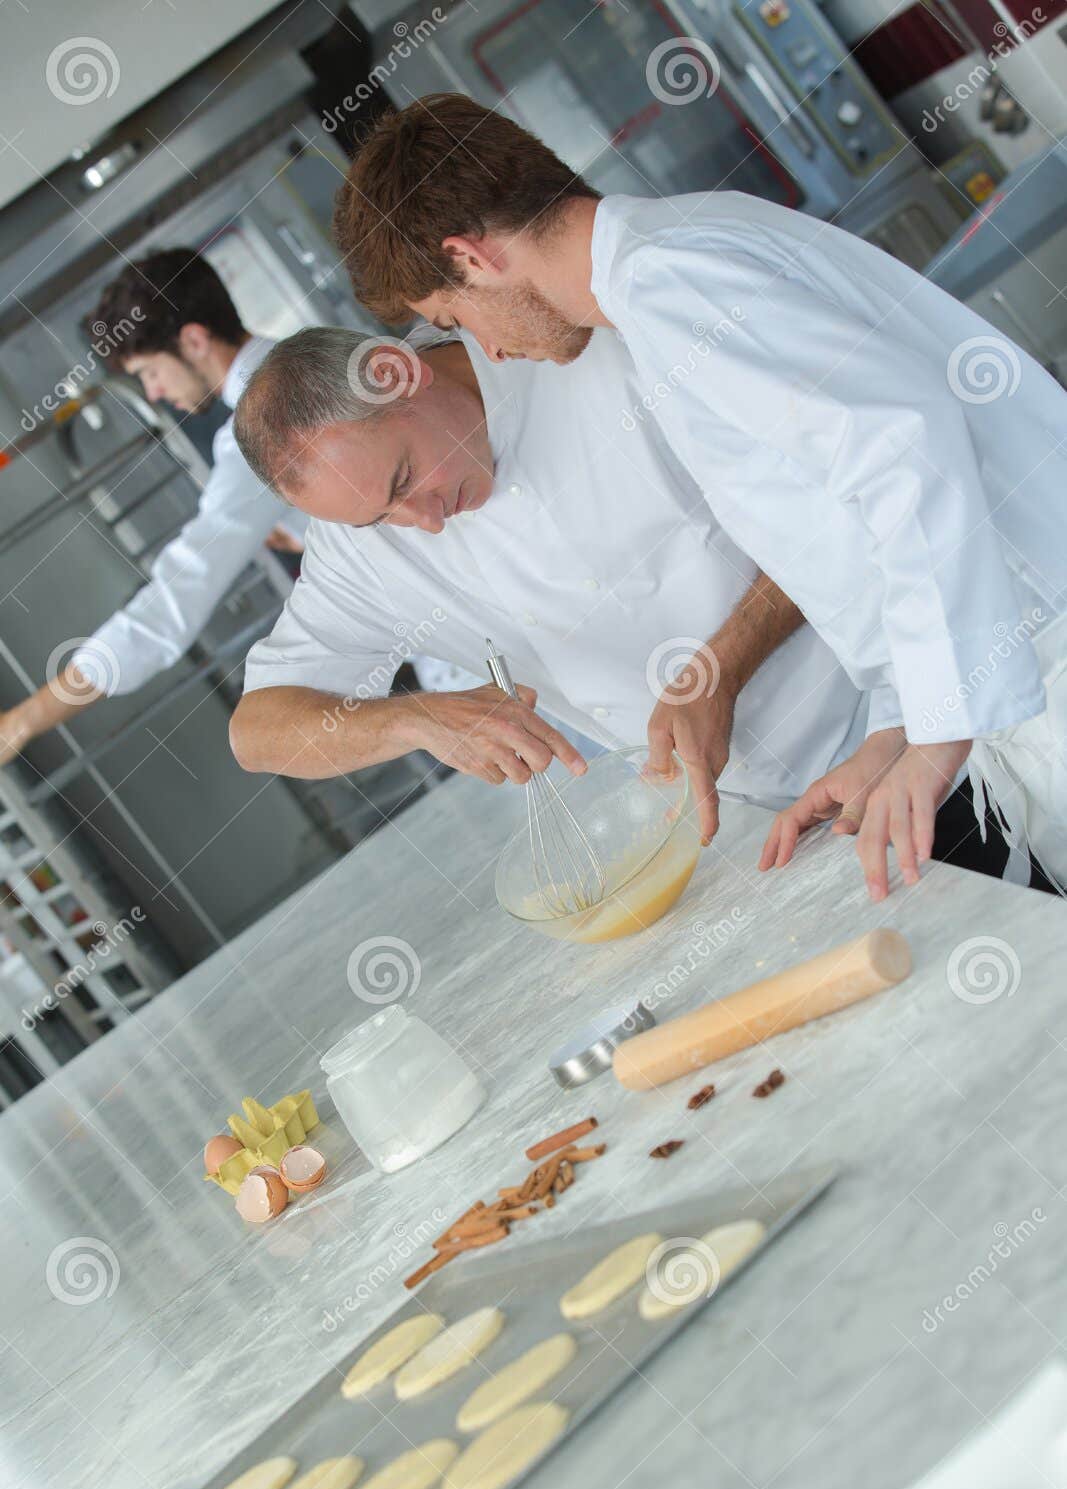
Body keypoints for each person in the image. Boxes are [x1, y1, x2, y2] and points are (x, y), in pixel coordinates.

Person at [332, 94, 1067, 898]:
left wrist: (935, 735)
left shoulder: (666, 284)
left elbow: (902, 452)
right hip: (1018, 667)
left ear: (469, 257)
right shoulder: (670, 255)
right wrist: (894, 730)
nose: (489, 348)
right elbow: (844, 515)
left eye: (453, 316)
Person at [228, 325, 871, 835]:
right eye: (381, 518)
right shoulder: (357, 544)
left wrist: (724, 668)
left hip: (901, 721)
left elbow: (833, 505)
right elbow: (257, 732)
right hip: (762, 817)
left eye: (404, 480)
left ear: (402, 375)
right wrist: (412, 720)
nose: (420, 523)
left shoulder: (576, 350)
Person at [0, 250, 305, 765]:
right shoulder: (307, 358)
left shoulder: (259, 427)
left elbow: (171, 604)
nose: (154, 392)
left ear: (192, 340)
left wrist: (24, 720)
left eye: (148, 372)